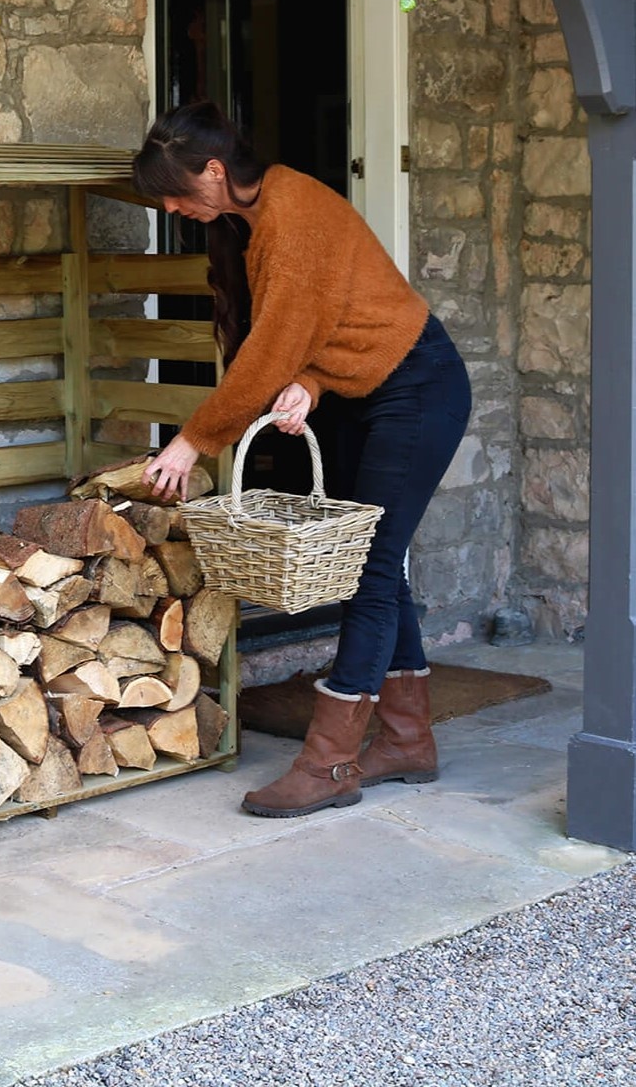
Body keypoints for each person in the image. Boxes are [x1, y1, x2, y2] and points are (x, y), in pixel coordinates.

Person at [132, 101, 472, 818]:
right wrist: (312, 383)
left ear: (214, 170)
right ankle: (407, 739)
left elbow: (271, 347)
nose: (170, 207)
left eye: (174, 192)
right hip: (366, 391)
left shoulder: (291, 213)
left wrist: (196, 437)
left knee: (372, 566)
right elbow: (332, 318)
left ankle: (327, 763)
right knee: (371, 563)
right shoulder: (257, 216)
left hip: (417, 388)